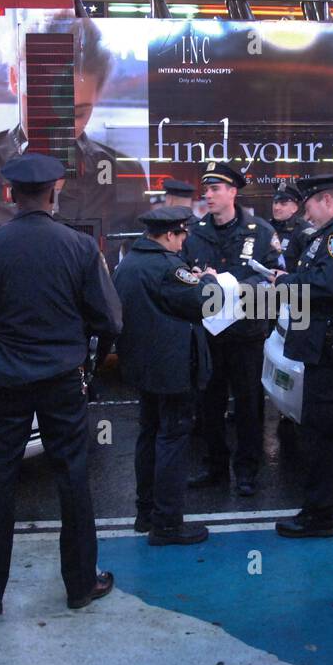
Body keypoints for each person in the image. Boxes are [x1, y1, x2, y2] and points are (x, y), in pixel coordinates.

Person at [0, 153, 122, 615]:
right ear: (54, 192)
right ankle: (81, 584)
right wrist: (87, 370)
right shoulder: (81, 248)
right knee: (73, 478)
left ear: (10, 194)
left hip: (5, 379)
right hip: (62, 379)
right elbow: (108, 319)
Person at [113, 206, 216, 546]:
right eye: (182, 234)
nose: (184, 240)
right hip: (172, 370)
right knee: (172, 440)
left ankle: (146, 512)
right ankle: (168, 523)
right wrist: (209, 280)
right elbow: (205, 303)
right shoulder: (169, 267)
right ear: (169, 234)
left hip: (143, 367)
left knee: (149, 435)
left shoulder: (128, 263)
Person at [273, 174, 333, 538]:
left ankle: (318, 516)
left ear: (325, 200)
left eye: (308, 204)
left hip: (331, 351)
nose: (305, 214)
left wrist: (285, 283)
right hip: (330, 348)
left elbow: (326, 284)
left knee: (324, 435)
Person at [181, 161, 278, 498]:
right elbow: (184, 273)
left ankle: (248, 470)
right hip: (210, 334)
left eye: (214, 189)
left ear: (232, 192)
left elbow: (272, 275)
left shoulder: (260, 231)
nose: (206, 195)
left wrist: (231, 285)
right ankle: (215, 466)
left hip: (246, 331)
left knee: (249, 404)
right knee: (210, 402)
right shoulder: (194, 232)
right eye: (205, 189)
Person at [270, 182, 312, 271]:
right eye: (275, 202)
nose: (277, 207)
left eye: (283, 204)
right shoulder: (266, 228)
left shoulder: (303, 231)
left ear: (294, 208)